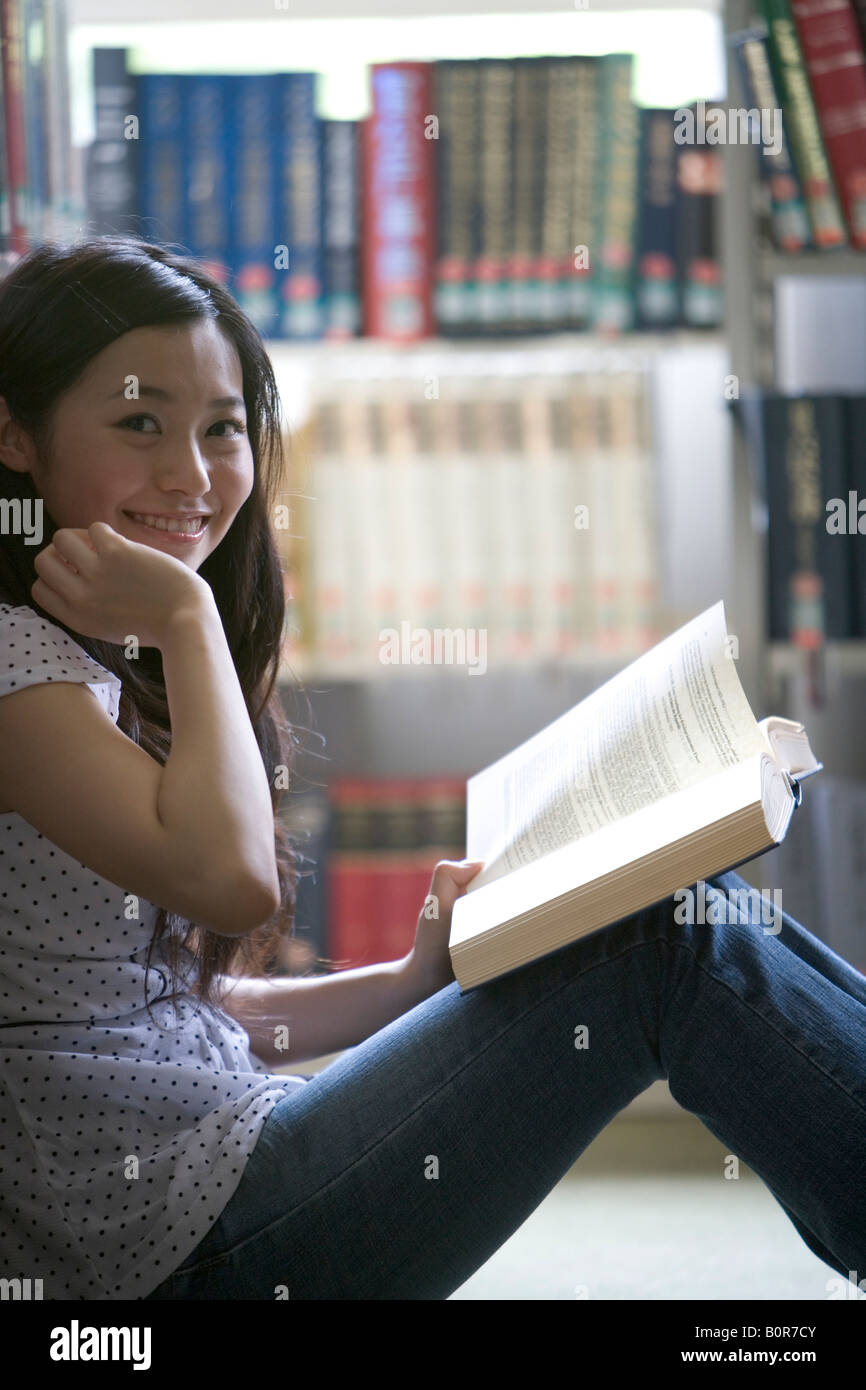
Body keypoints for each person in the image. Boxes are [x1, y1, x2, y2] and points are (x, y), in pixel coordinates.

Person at [0, 238, 863, 1302]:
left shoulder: (76, 655)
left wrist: (413, 982)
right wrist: (187, 616)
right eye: (140, 422)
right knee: (667, 941)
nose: (191, 473)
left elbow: (174, 1004)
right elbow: (229, 882)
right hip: (176, 1249)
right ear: (15, 433)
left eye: (220, 428)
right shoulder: (19, 677)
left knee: (682, 912)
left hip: (217, 1165)